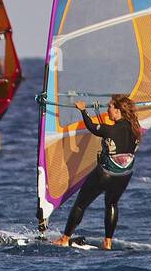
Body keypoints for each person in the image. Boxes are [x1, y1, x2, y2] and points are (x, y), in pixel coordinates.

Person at [52, 94, 143, 250]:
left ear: (118, 111)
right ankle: (107, 242)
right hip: (124, 175)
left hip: (105, 174)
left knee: (80, 205)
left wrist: (83, 110)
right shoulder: (135, 128)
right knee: (112, 204)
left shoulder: (112, 129)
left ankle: (64, 238)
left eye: (110, 107)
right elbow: (111, 134)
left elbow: (92, 127)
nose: (107, 111)